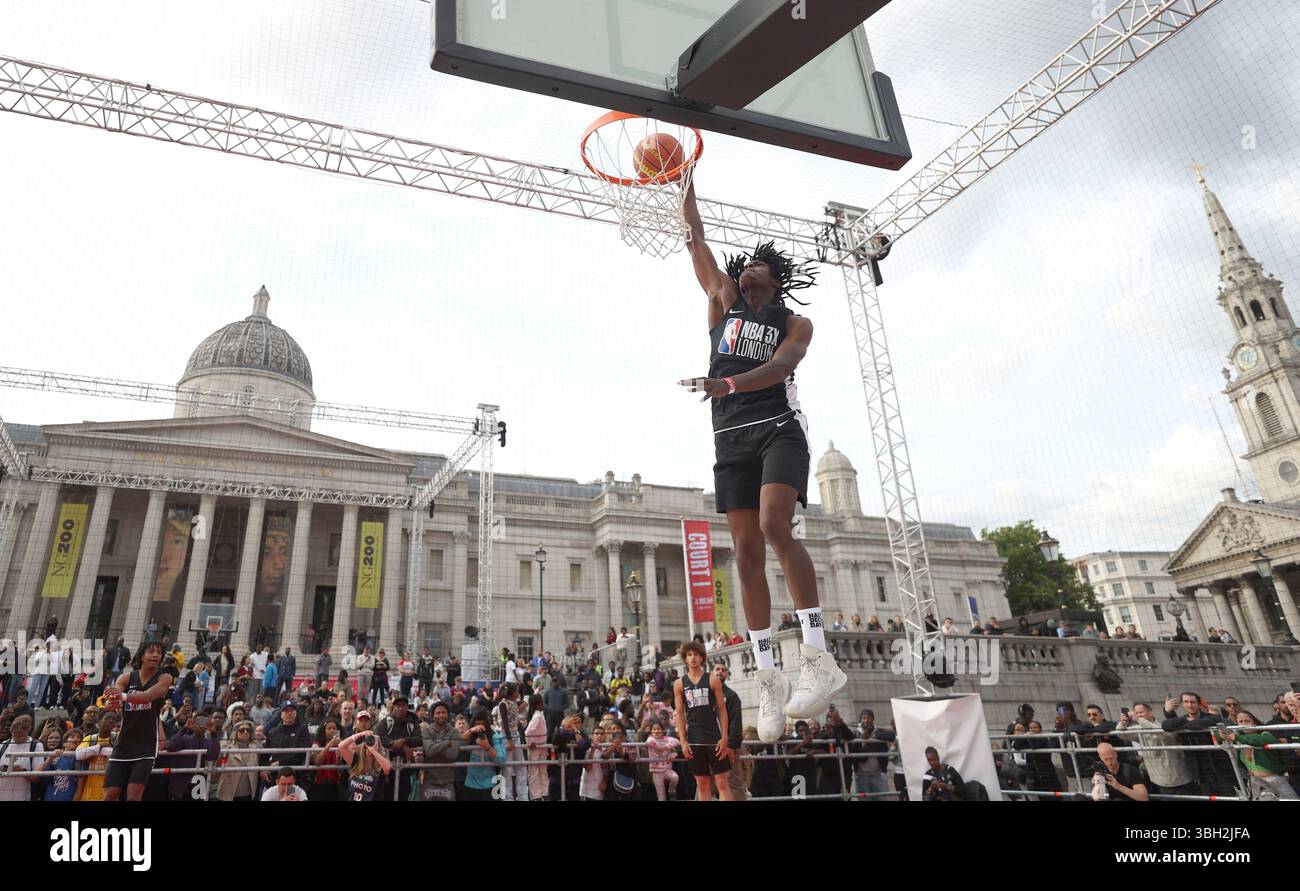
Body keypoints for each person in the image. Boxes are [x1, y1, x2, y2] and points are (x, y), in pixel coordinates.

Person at [678, 183, 845, 741]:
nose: (744, 271)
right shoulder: (721, 300)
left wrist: (724, 381)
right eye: (741, 267)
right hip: (731, 441)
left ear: (772, 283)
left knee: (776, 526)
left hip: (778, 429)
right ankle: (769, 676)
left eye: (755, 269)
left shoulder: (795, 324)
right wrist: (685, 183)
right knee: (745, 552)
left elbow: (778, 370)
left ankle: (818, 658)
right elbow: (695, 238)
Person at [101, 640, 175, 802]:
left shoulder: (165, 677)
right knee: (109, 795)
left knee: (134, 797)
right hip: (123, 743)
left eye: (159, 652)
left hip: (146, 746)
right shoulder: (126, 677)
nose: (155, 655)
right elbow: (114, 696)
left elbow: (147, 696)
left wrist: (123, 697)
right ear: (141, 656)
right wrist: (111, 701)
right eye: (151, 651)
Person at [672, 640, 732, 801]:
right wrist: (683, 741)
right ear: (685, 658)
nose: (693, 658)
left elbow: (721, 709)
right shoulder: (679, 684)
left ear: (702, 658)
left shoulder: (713, 680)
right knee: (702, 784)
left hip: (714, 738)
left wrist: (725, 736)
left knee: (722, 783)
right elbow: (679, 714)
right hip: (694, 739)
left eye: (696, 655)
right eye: (689, 655)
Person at [1222, 710, 1297, 800]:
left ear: (1255, 723)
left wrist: (1236, 737)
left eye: (1247, 721)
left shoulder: (1265, 734)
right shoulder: (1238, 741)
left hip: (1276, 781)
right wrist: (1223, 735)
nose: (1244, 724)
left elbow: (1258, 740)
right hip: (1256, 784)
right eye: (1240, 722)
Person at [339, 710, 392, 801]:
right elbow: (341, 747)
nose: (363, 723)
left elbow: (387, 768)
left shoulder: (379, 765)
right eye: (361, 721)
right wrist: (361, 734)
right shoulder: (356, 760)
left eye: (366, 721)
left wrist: (373, 751)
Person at [420, 701, 461, 801]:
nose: (441, 715)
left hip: (448, 780)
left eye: (444, 712)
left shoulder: (454, 731)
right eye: (438, 713)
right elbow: (429, 751)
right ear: (433, 716)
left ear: (448, 715)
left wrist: (435, 747)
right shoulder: (427, 731)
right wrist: (446, 743)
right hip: (429, 780)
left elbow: (453, 754)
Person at [0, 715, 44, 801]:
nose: (16, 737)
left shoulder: (36, 745)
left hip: (23, 796)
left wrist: (21, 770)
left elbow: (36, 777)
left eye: (20, 734)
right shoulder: (3, 745)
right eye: (14, 733)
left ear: (28, 729)